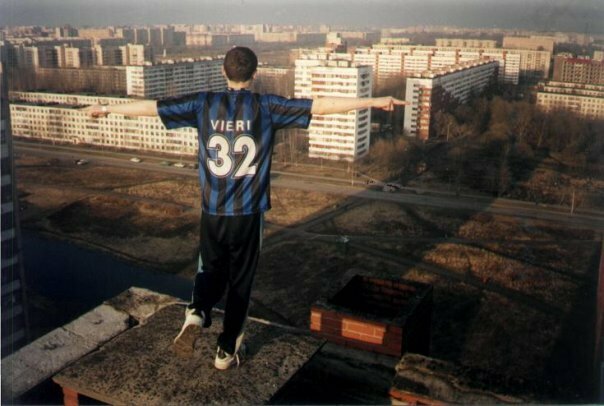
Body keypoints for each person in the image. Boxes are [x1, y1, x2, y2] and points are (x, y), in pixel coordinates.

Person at [85, 46, 406, 370]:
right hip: (249, 214)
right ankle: (225, 352)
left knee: (209, 269)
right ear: (255, 74)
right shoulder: (266, 106)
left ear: (223, 72)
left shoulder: (203, 103)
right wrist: (374, 101)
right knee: (241, 282)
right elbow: (321, 106)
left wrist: (106, 108)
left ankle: (196, 312)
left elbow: (151, 107)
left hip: (213, 212)